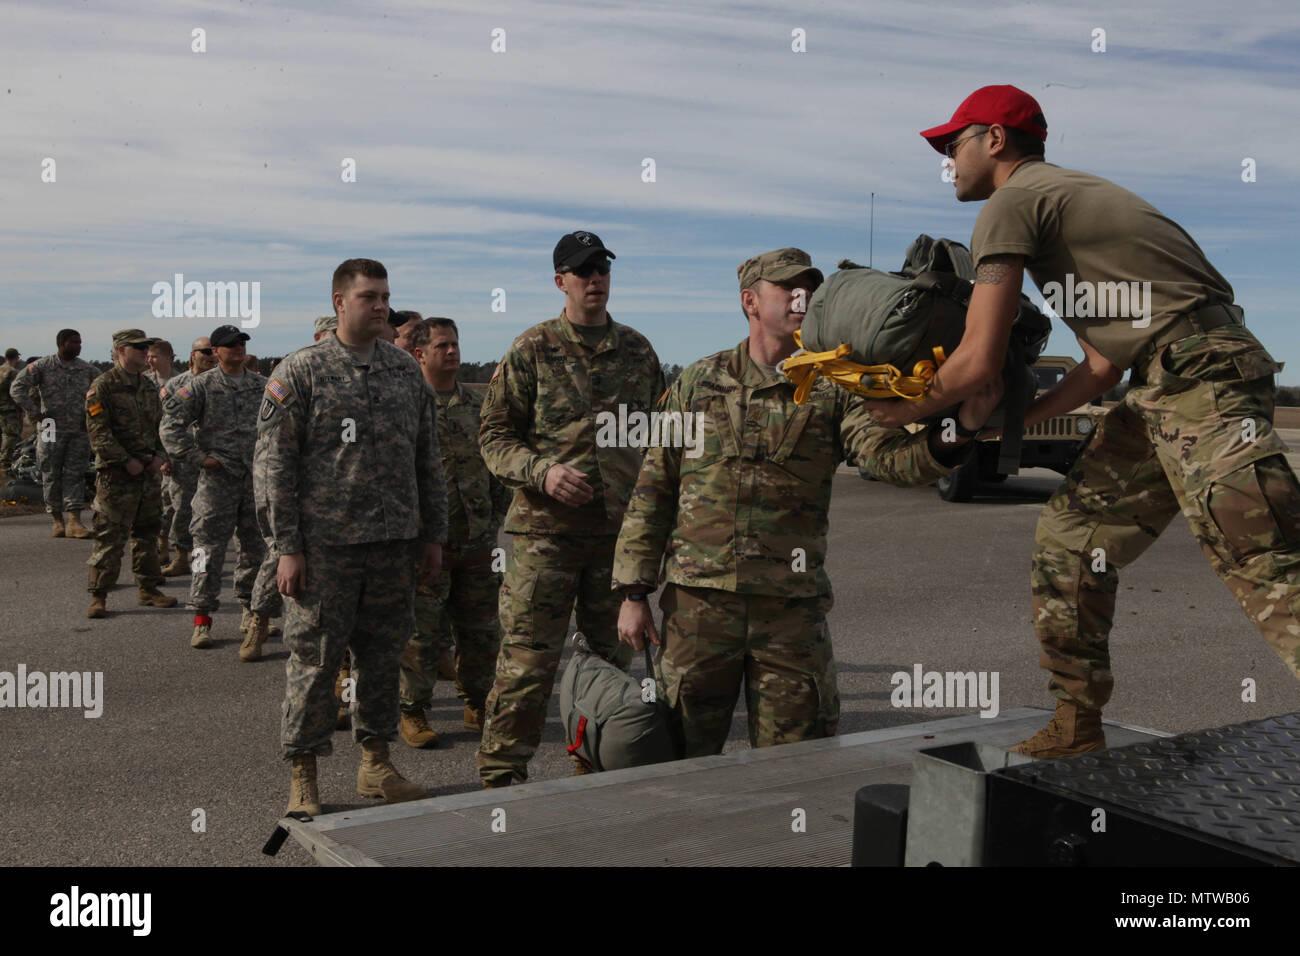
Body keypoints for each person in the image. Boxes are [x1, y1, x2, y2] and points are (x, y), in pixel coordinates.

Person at [872, 84, 1300, 756]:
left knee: (1264, 559)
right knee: (1072, 538)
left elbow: (978, 360)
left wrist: (898, 413)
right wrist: (996, 429)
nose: (946, 160)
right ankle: (1077, 723)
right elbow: (1101, 364)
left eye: (952, 144)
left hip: (1198, 376)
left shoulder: (1012, 204)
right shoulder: (1065, 204)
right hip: (1160, 379)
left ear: (996, 139)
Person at [612, 248, 998, 756]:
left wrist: (959, 431)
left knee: (798, 759)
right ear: (750, 301)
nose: (802, 298)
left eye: (808, 289)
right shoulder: (698, 383)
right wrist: (634, 592)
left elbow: (886, 460)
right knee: (682, 754)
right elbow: (654, 486)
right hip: (699, 607)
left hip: (791, 613)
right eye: (787, 287)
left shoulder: (834, 386)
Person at [256, 258, 447, 816]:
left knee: (383, 659)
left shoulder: (405, 371)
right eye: (370, 297)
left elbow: (426, 459)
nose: (382, 306)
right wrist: (286, 547)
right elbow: (273, 469)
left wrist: (432, 536)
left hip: (394, 545)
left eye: (386, 296)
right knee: (314, 662)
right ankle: (304, 773)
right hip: (325, 550)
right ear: (340, 302)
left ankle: (376, 765)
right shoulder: (300, 371)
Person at [476, 230, 665, 788]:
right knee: (527, 664)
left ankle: (591, 763)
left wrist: (662, 521)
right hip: (546, 537)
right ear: (560, 281)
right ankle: (502, 775)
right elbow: (493, 434)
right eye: (583, 271)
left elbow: (660, 440)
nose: (595, 279)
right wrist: (542, 472)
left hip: (616, 540)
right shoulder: (533, 348)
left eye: (602, 268)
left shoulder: (637, 350)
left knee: (609, 663)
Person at [399, 318, 511, 746]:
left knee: (482, 631)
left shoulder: (479, 404)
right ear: (420, 354)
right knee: (421, 634)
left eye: (455, 344)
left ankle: (478, 701)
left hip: (477, 540)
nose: (452, 351)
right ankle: (413, 711)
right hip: (426, 544)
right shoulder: (407, 407)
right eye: (442, 345)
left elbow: (498, 463)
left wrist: (493, 518)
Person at [161, 325, 269, 656]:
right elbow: (170, 426)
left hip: (254, 481)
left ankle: (250, 613)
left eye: (242, 344)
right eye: (230, 345)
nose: (238, 349)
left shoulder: (263, 386)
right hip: (216, 480)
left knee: (254, 550)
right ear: (215, 353)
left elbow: (285, 422)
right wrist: (197, 458)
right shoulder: (200, 387)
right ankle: (202, 618)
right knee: (205, 551)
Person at [84, 330, 179, 618]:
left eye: (148, 347)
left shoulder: (149, 388)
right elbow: (98, 434)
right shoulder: (103, 386)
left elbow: (160, 428)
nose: (145, 351)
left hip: (148, 474)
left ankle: (148, 589)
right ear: (121, 350)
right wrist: (127, 461)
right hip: (116, 477)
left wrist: (159, 456)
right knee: (109, 537)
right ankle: (98, 594)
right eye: (139, 347)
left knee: (148, 534)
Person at [12, 330, 97, 538]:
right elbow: (17, 388)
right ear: (61, 343)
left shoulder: (87, 369)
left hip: (78, 429)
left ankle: (75, 521)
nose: (79, 346)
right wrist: (34, 412)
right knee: (51, 472)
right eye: (74, 342)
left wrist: (92, 416)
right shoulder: (43, 366)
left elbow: (102, 392)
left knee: (75, 473)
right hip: (50, 427)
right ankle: (57, 520)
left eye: (80, 342)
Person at [159, 338, 218, 576]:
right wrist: (165, 458)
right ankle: (181, 557)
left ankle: (200, 564)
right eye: (205, 351)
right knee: (181, 509)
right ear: (193, 355)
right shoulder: (176, 385)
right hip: (183, 460)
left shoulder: (219, 382)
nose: (210, 355)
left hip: (213, 459)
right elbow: (163, 425)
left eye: (213, 351)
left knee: (209, 516)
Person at [145, 341, 179, 559]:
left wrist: (169, 456)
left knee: (170, 501)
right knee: (153, 501)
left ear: (169, 358)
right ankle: (159, 544)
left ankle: (170, 545)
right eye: (148, 356)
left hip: (171, 450)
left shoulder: (181, 383)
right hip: (148, 449)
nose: (149, 360)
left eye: (155, 356)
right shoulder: (145, 382)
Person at [0, 348, 22, 472]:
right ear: (16, 357)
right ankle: (5, 462)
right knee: (10, 435)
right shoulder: (13, 372)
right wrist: (21, 409)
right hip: (9, 409)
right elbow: (16, 392)